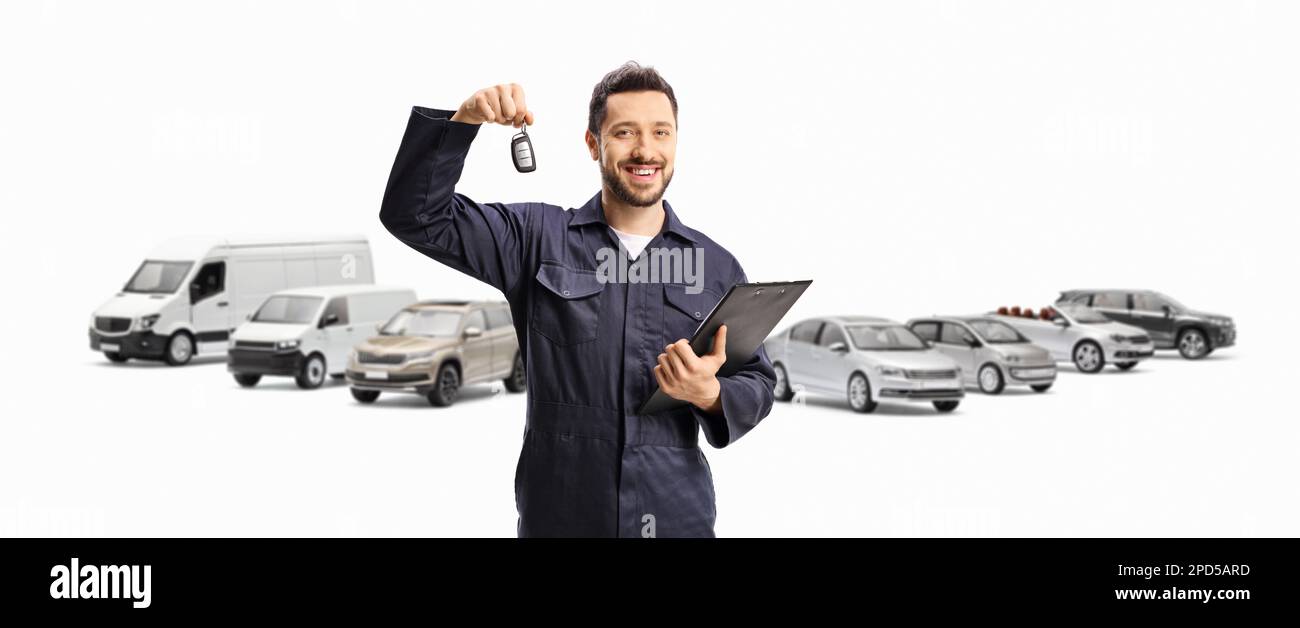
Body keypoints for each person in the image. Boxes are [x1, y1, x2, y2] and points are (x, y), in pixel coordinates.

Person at [379, 61, 775, 538]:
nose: (645, 150)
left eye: (661, 133)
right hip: (562, 515)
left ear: (675, 143)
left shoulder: (715, 266)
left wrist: (710, 394)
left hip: (676, 516)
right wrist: (465, 121)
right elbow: (415, 216)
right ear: (593, 144)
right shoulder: (535, 240)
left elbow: (758, 382)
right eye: (625, 132)